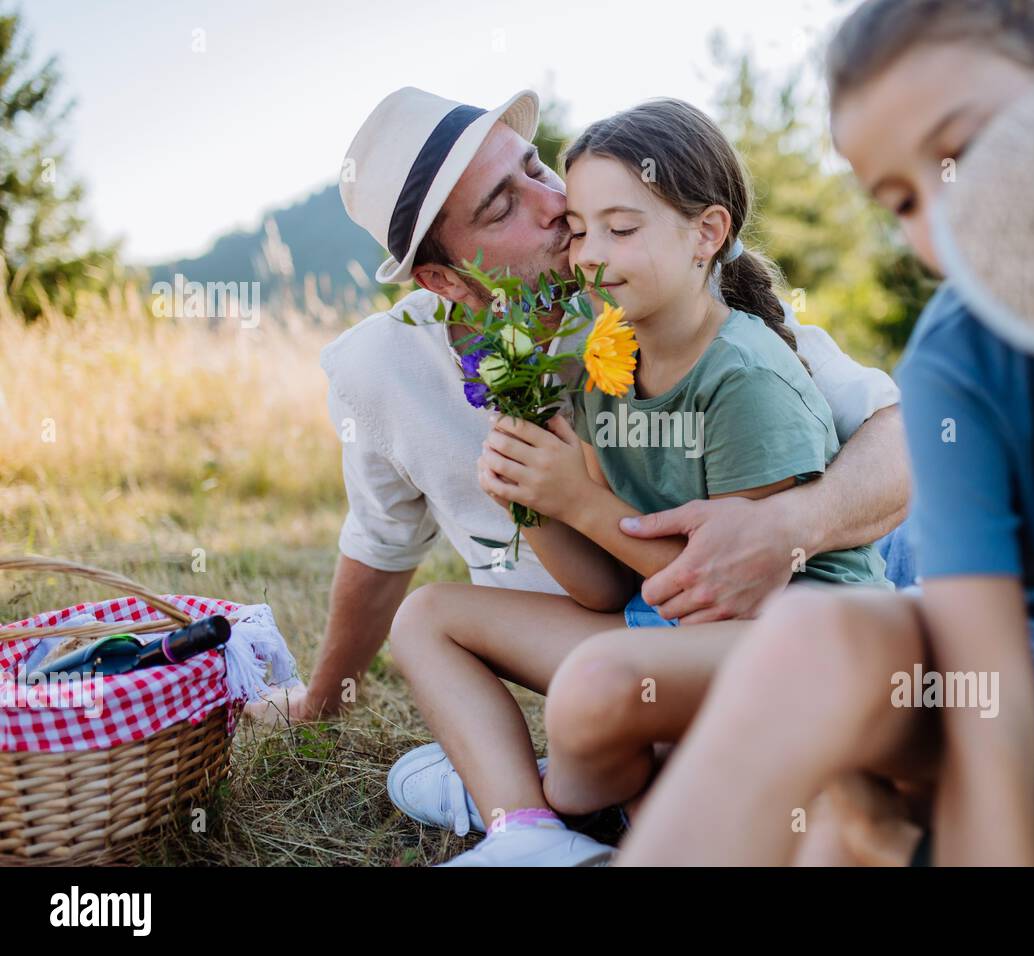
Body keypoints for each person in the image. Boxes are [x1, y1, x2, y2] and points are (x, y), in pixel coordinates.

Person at [620, 0, 1034, 866]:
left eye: (963, 153)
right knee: (813, 656)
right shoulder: (960, 361)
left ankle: (871, 824)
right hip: (1022, 659)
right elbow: (990, 683)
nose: (945, 220)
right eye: (899, 200)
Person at [242, 86, 909, 735]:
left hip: (816, 583)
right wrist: (320, 704)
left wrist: (792, 525)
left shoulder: (664, 283)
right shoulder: (383, 370)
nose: (555, 205)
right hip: (623, 637)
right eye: (502, 208)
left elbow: (894, 432)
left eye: (533, 165)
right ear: (443, 279)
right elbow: (381, 544)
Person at [388, 98, 894, 866]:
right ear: (442, 276)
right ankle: (531, 829)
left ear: (707, 233)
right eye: (585, 228)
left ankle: (606, 795)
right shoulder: (606, 357)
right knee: (426, 618)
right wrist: (542, 504)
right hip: (664, 636)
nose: (583, 247)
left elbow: (734, 595)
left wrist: (583, 500)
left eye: (618, 229)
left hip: (784, 641)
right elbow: (600, 589)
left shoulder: (746, 379)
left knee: (598, 693)